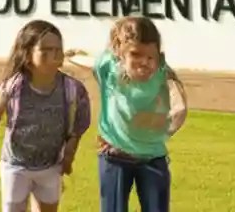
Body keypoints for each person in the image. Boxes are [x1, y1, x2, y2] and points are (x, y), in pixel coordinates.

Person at [66, 16, 188, 212]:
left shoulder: (162, 74)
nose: (144, 63)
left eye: (151, 57)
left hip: (153, 159)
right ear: (120, 54)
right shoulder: (109, 67)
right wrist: (72, 56)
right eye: (136, 55)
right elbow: (90, 62)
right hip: (114, 158)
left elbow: (179, 107)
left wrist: (164, 129)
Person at [0, 20, 91, 212]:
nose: (55, 53)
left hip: (50, 166)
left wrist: (70, 152)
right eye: (46, 49)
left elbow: (81, 123)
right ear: (28, 55)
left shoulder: (72, 88)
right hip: (16, 166)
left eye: (58, 48)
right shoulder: (14, 86)